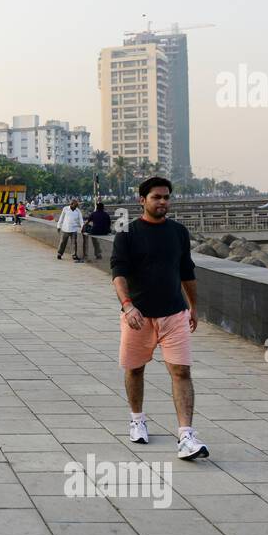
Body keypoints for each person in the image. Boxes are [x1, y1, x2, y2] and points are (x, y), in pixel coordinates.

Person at [111, 177, 208, 461]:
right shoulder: (127, 234)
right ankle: (137, 419)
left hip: (174, 314)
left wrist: (194, 306)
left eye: (166, 197)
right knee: (135, 369)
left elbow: (187, 272)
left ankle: (186, 435)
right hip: (138, 316)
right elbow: (118, 275)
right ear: (142, 200)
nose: (163, 202)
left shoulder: (178, 232)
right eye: (156, 197)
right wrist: (128, 307)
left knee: (181, 371)